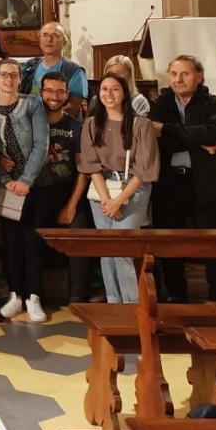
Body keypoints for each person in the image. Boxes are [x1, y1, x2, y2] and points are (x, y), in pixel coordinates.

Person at [149, 55, 216, 302]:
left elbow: (211, 133)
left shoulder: (214, 103)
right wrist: (199, 141)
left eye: (185, 74)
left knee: (214, 242)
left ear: (199, 76)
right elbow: (156, 142)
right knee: (169, 241)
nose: (178, 79)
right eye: (174, 74)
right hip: (170, 182)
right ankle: (176, 294)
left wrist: (168, 130)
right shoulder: (158, 104)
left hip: (205, 181)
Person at [0, 59, 51, 323]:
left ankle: (34, 296)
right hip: (6, 186)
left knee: (33, 242)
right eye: (4, 75)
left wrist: (25, 180)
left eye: (14, 75)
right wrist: (5, 179)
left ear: (20, 78)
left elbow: (41, 144)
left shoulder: (33, 105)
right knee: (10, 243)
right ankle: (16, 295)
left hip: (35, 184)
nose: (8, 79)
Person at [80, 72, 159, 303]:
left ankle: (132, 306)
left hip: (132, 187)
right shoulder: (91, 124)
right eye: (104, 89)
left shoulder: (141, 124)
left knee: (122, 249)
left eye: (115, 89)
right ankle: (114, 303)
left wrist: (118, 201)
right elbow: (91, 165)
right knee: (107, 250)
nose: (109, 94)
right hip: (102, 188)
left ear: (124, 93)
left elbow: (144, 169)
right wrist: (107, 199)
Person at [40, 71, 93, 304]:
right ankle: (33, 294)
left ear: (67, 94)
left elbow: (83, 169)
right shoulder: (33, 123)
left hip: (69, 193)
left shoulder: (76, 127)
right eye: (49, 91)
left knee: (80, 238)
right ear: (41, 92)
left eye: (60, 91)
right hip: (38, 194)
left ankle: (77, 297)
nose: (54, 96)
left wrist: (71, 205)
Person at [19, 22, 88, 117]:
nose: (49, 39)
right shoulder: (31, 66)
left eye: (55, 35)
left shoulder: (74, 70)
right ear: (40, 40)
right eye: (44, 35)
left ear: (64, 42)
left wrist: (46, 118)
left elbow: (73, 107)